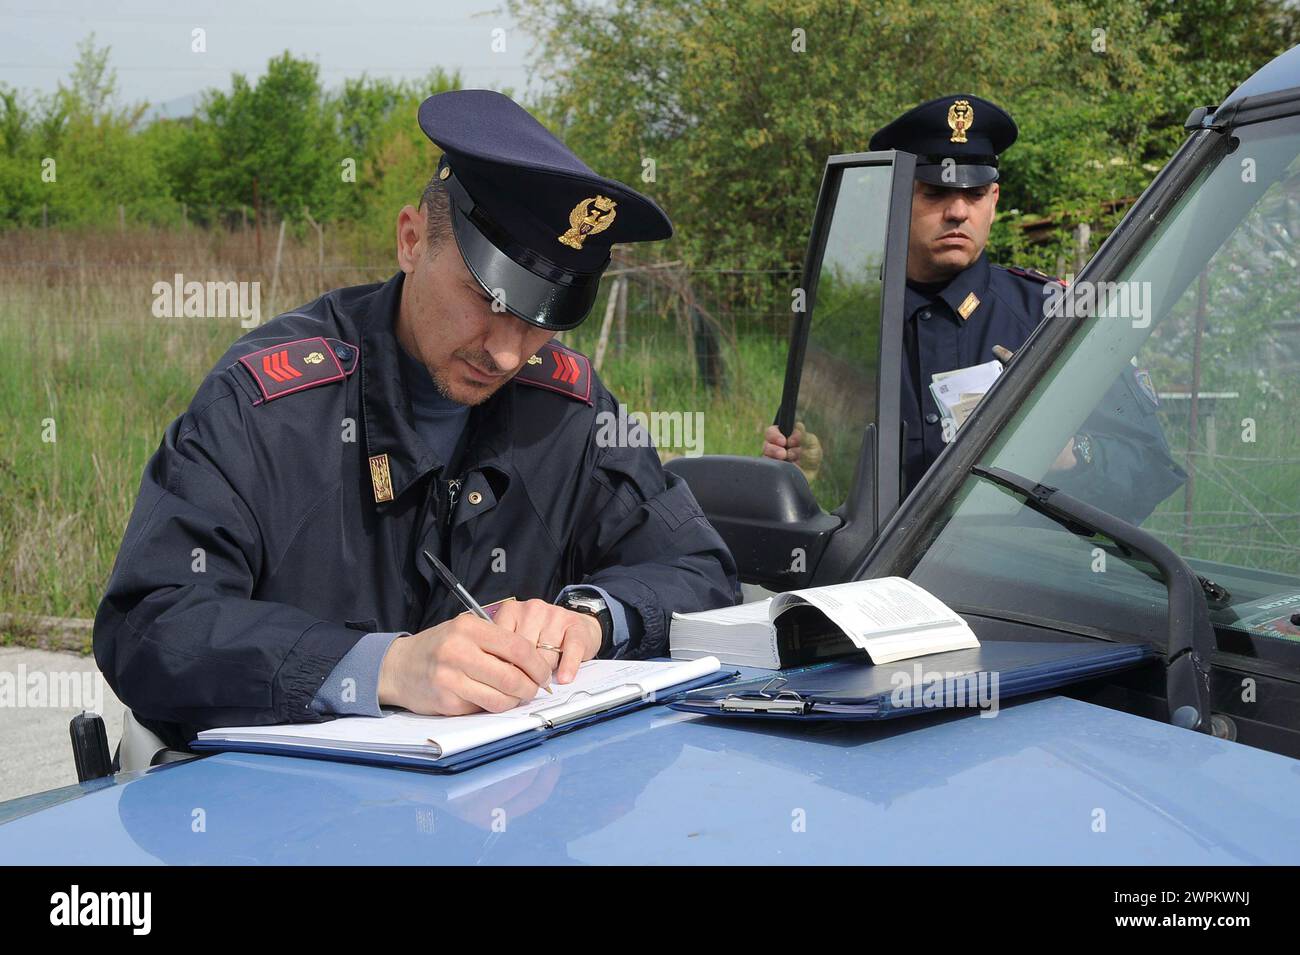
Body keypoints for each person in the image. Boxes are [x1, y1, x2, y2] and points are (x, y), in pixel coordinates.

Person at [95, 89, 739, 750]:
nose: (507, 351)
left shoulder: (569, 411)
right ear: (410, 241)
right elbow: (151, 624)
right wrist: (385, 667)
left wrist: (590, 616)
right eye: (485, 297)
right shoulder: (270, 407)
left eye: (541, 320)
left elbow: (701, 568)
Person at [763, 93, 1183, 523]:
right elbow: (819, 504)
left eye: (975, 193)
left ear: (994, 199)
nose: (959, 211)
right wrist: (806, 479)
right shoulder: (846, 331)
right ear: (895, 198)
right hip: (878, 584)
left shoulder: (1055, 318)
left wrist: (1072, 455)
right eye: (936, 193)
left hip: (1015, 581)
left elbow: (1149, 471)